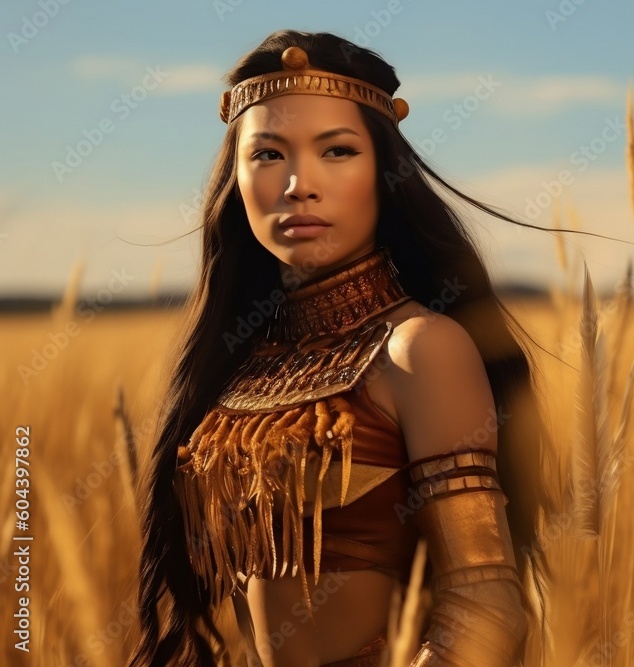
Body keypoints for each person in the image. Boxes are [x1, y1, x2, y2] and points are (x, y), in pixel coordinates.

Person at [126, 29, 576, 667]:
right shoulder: (239, 360)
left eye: (336, 151)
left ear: (383, 174)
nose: (298, 184)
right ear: (238, 177)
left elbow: (486, 603)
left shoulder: (421, 349)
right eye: (268, 154)